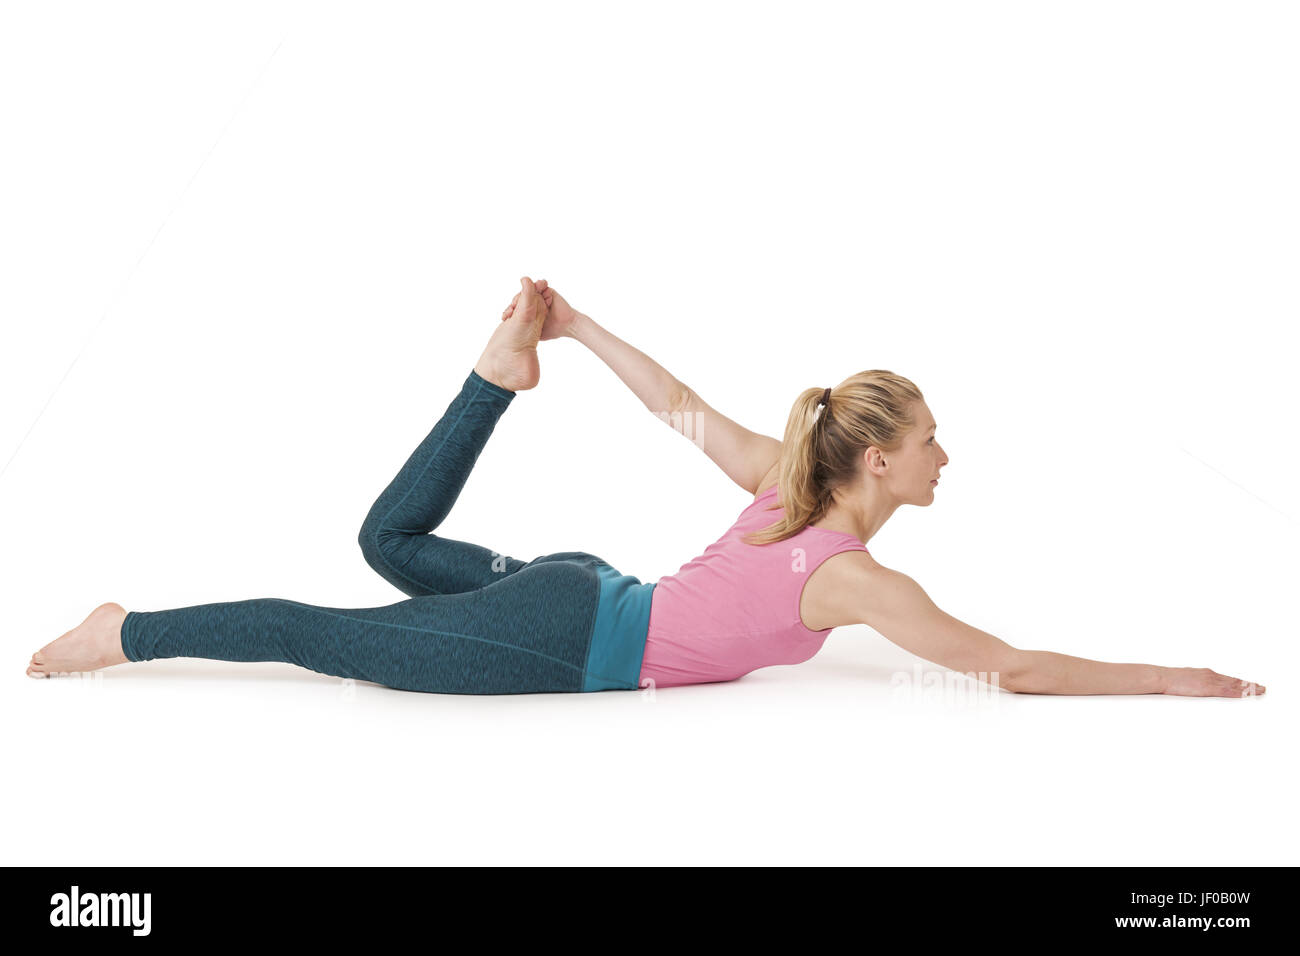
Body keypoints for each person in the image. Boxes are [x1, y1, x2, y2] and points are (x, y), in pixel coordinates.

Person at [27, 278, 1265, 699]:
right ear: (877, 458)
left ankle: (490, 378)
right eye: (935, 438)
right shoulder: (848, 574)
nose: (948, 454)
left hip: (573, 587)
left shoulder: (786, 487)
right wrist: (1169, 675)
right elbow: (1010, 665)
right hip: (563, 633)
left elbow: (672, 405)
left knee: (386, 540)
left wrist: (573, 329)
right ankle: (122, 633)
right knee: (324, 634)